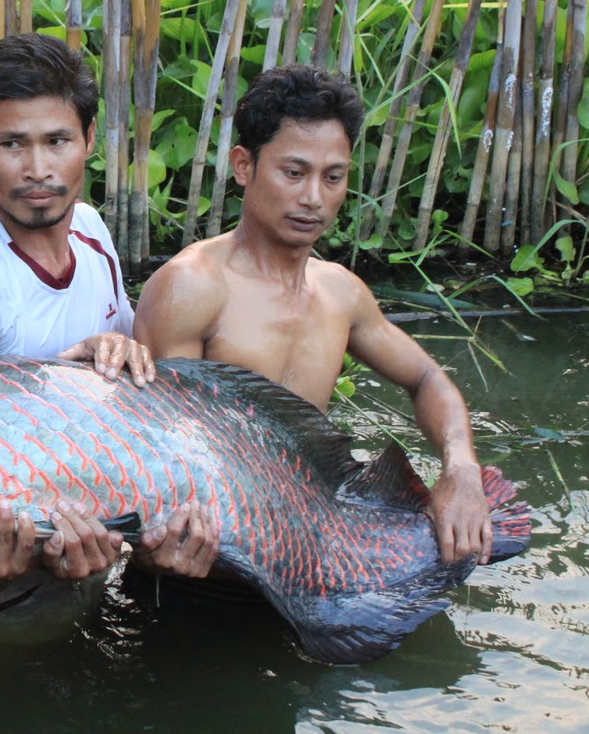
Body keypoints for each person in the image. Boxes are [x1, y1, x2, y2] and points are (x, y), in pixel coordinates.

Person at [0, 32, 211, 614]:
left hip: (87, 529)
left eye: (57, 140)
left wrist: (114, 348)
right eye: (11, 143)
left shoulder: (91, 231)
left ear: (88, 139)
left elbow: (131, 376)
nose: (38, 169)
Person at [134, 64, 493, 566]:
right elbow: (164, 456)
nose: (313, 199)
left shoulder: (341, 293)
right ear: (244, 166)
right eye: (294, 172)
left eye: (333, 177)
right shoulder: (193, 287)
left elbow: (428, 377)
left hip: (304, 534)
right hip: (204, 556)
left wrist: (461, 471)